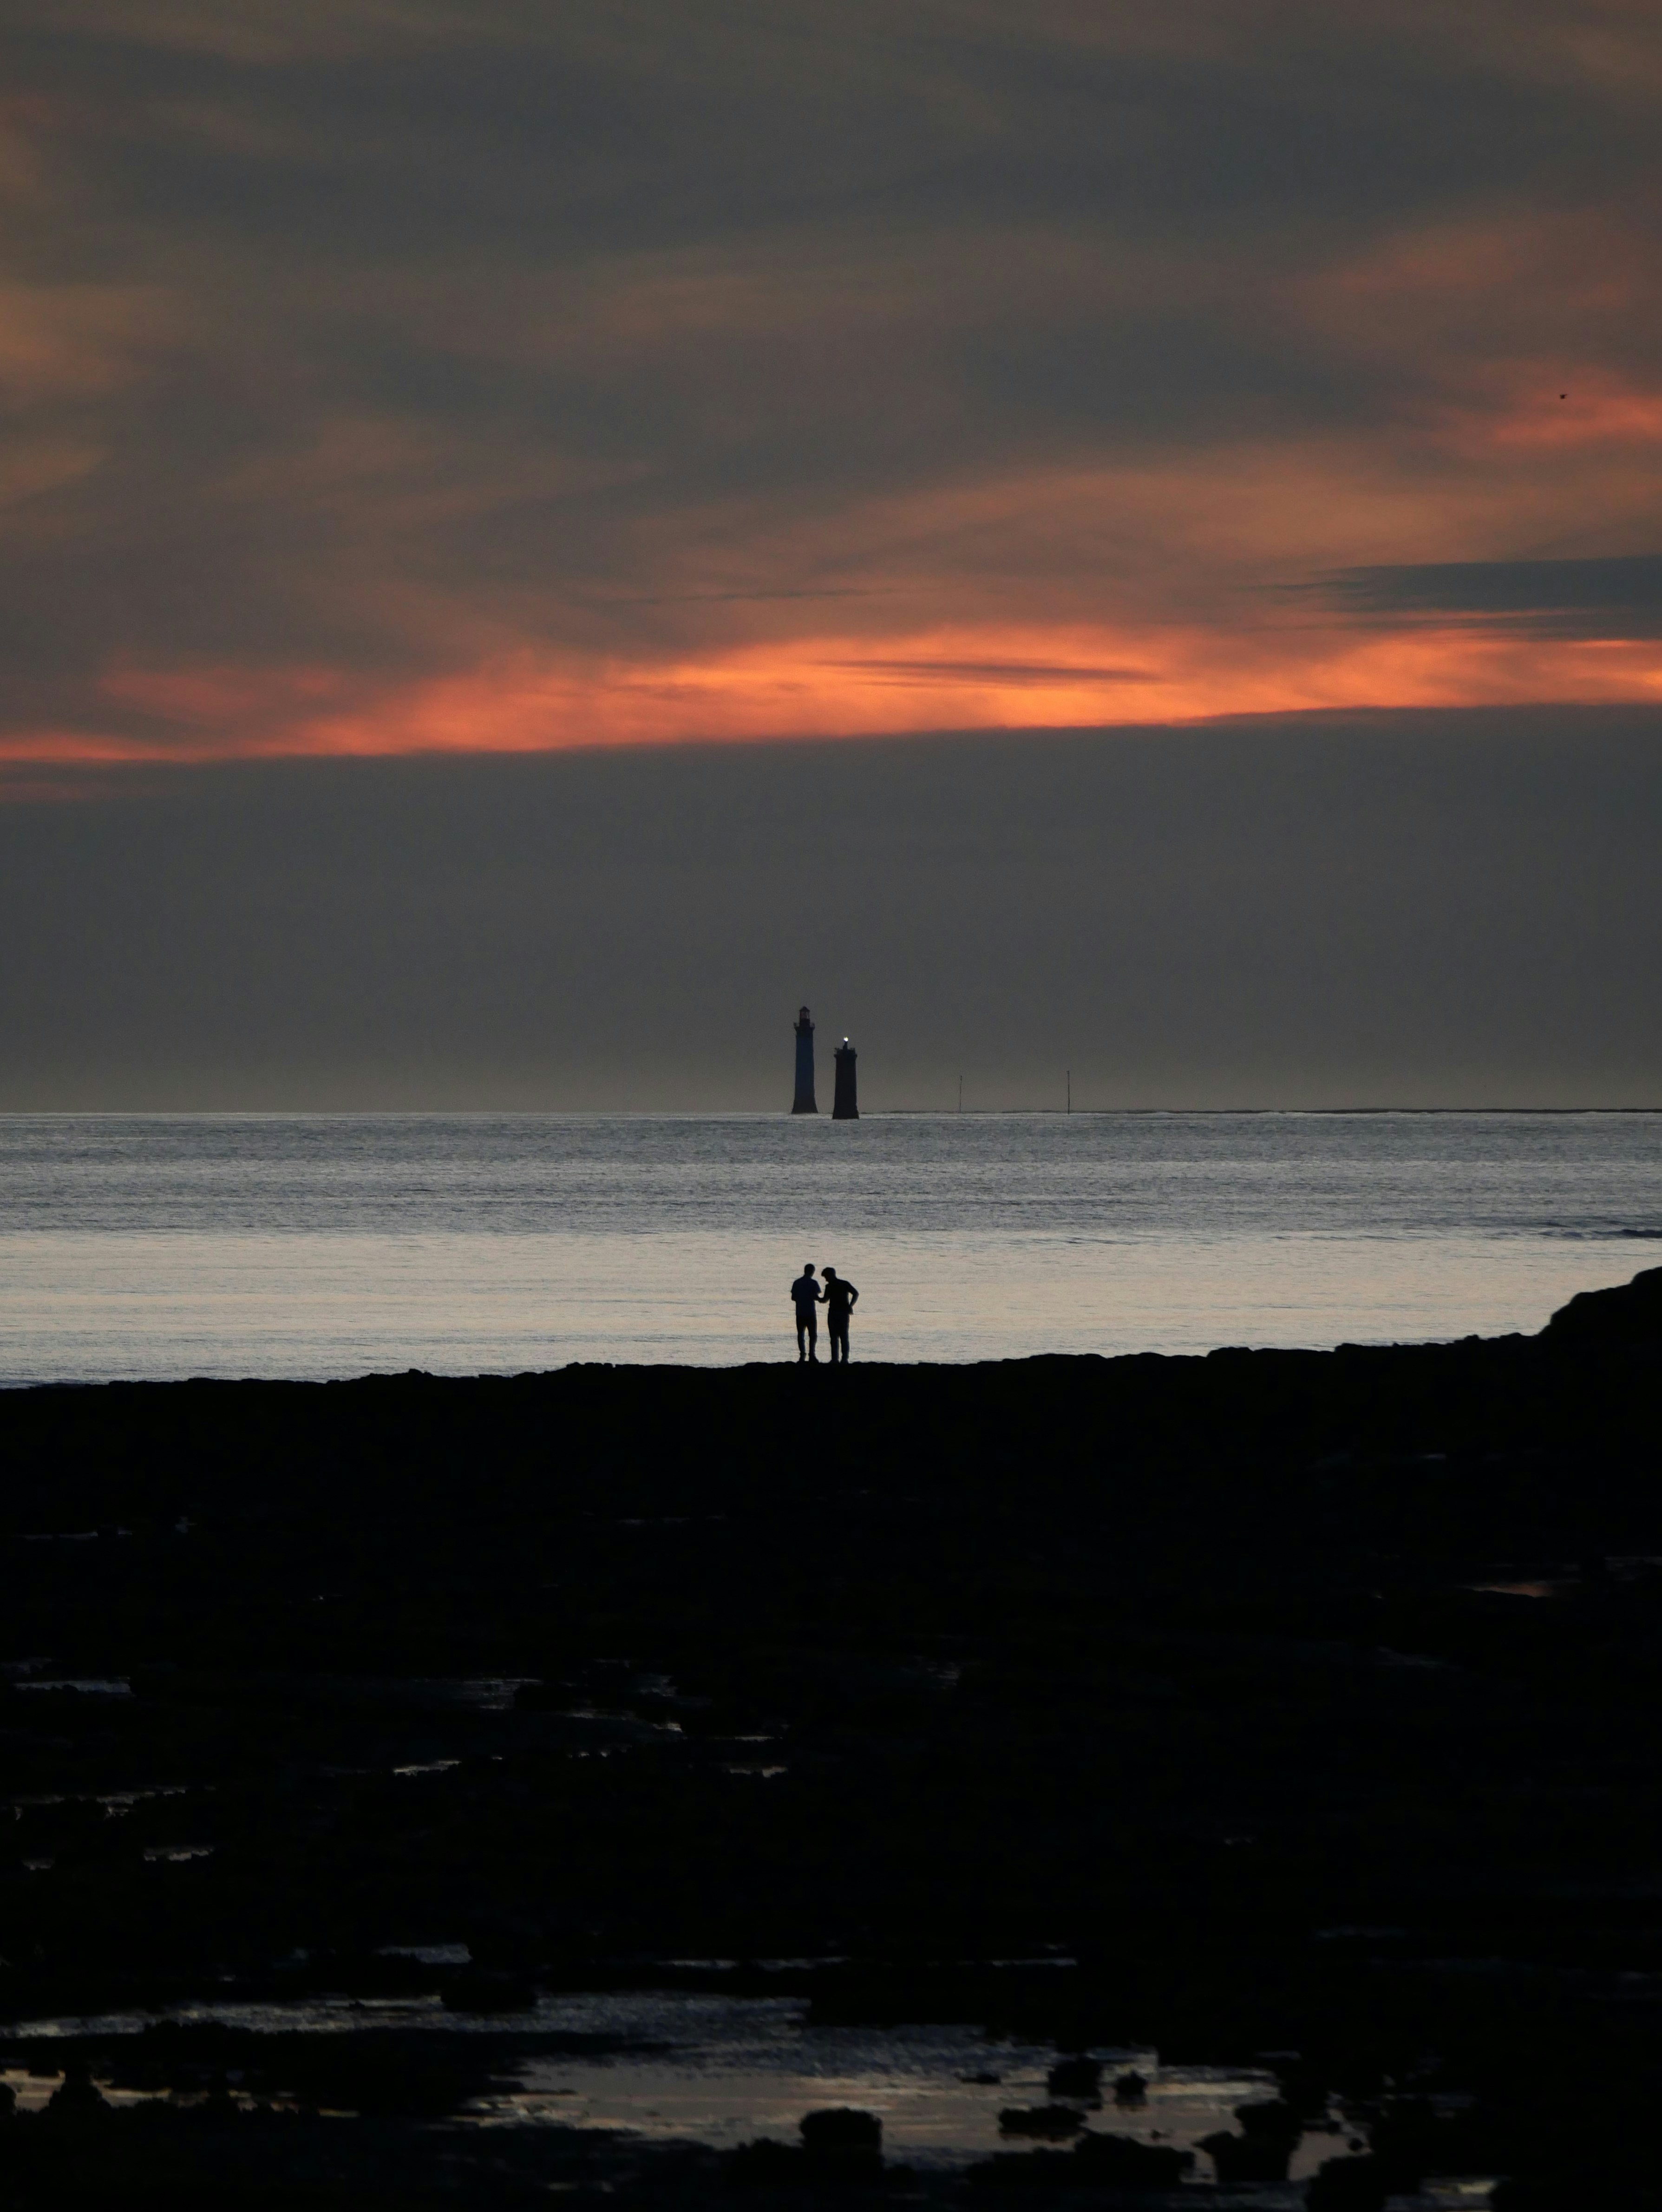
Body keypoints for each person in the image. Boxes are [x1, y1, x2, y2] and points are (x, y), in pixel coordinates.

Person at [821, 1266, 859, 1363]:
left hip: (834, 1313)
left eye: (826, 1277)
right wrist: (850, 1306)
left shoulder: (829, 1287)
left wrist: (816, 1298)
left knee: (834, 1337)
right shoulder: (844, 1284)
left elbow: (825, 1300)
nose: (826, 1280)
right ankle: (845, 1359)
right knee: (844, 1336)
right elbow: (856, 1294)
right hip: (843, 1312)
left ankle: (835, 1359)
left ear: (830, 1275)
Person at [790, 1263, 823, 1362]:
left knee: (801, 1334)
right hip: (810, 1313)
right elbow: (816, 1297)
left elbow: (793, 1298)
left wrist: (801, 1298)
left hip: (800, 1312)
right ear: (812, 1272)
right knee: (813, 1335)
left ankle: (802, 1354)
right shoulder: (813, 1283)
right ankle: (812, 1354)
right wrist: (823, 1300)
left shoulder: (797, 1283)